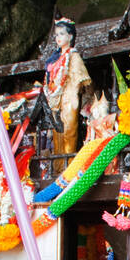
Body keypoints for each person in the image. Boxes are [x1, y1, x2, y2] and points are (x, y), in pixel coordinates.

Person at [43, 18, 91, 160]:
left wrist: (75, 95)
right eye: (57, 34)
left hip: (69, 97)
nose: (58, 38)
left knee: (69, 131)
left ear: (70, 36)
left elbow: (79, 79)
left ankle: (68, 164)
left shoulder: (73, 56)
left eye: (62, 34)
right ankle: (58, 165)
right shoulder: (54, 59)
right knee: (57, 133)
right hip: (55, 98)